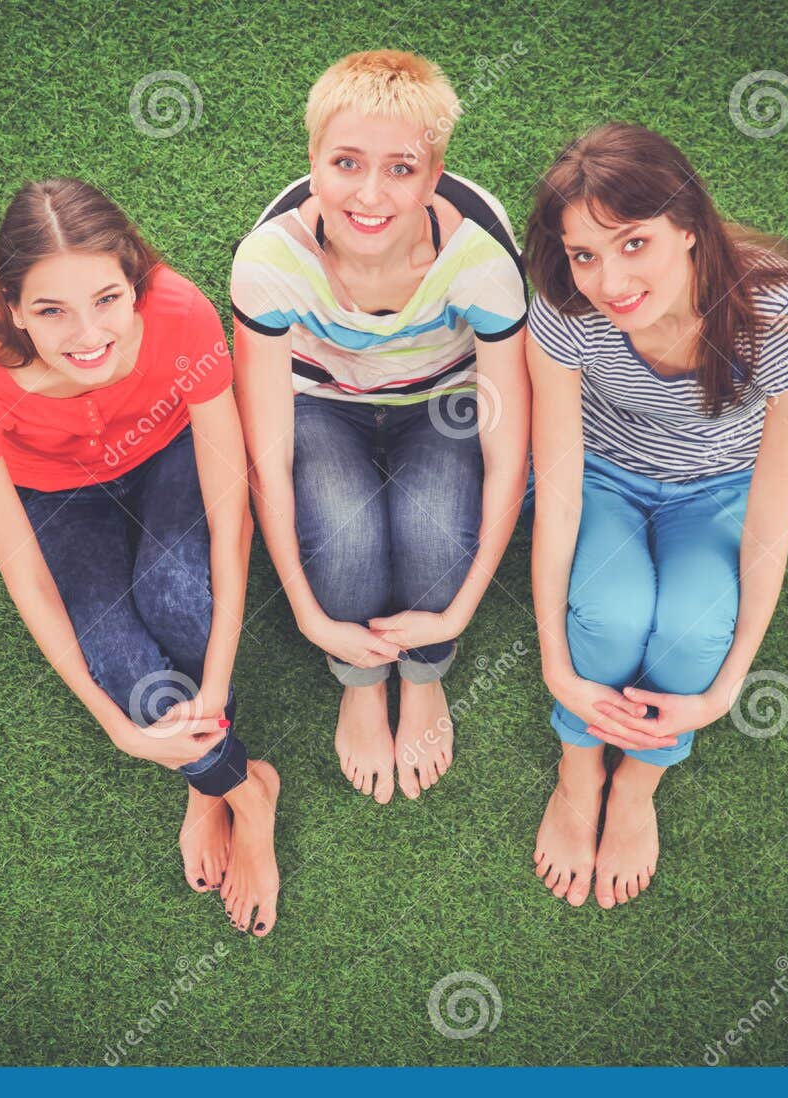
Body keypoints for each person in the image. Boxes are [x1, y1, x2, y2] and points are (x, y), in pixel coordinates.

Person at [0, 178, 281, 936]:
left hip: (169, 450)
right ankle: (244, 790)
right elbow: (24, 574)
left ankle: (207, 785)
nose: (87, 334)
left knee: (175, 595)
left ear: (136, 284)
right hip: (59, 493)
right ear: (13, 307)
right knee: (121, 662)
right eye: (51, 310)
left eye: (108, 299)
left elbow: (232, 517)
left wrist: (218, 679)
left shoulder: (180, 313)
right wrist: (112, 724)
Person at [524, 123, 788, 909]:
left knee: (692, 634)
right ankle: (579, 770)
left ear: (689, 224)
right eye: (584, 254)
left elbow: (772, 514)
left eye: (634, 243)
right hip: (602, 475)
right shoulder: (565, 305)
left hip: (718, 488)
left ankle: (638, 785)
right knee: (611, 617)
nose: (610, 281)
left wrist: (727, 687)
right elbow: (557, 488)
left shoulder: (782, 318)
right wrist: (557, 664)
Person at [230, 50, 530, 804]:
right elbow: (266, 452)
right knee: (345, 532)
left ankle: (424, 675)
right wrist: (308, 616)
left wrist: (456, 614)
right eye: (346, 163)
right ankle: (361, 683)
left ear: (433, 177)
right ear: (313, 164)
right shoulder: (269, 258)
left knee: (431, 529)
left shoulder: (482, 257)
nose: (370, 194)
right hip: (319, 400)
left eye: (401, 169)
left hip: (443, 402)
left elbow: (509, 452)